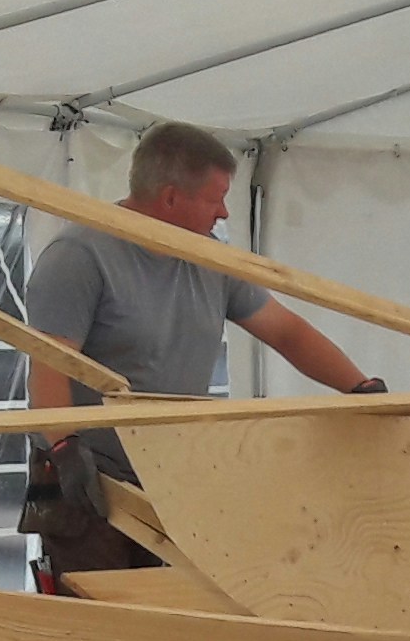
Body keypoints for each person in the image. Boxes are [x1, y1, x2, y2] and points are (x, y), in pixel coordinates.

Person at [19, 119, 380, 569]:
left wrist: (359, 387)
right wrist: (63, 447)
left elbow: (286, 331)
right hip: (91, 479)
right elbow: (50, 362)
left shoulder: (209, 259)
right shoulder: (80, 255)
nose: (224, 213)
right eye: (216, 199)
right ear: (170, 198)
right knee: (102, 621)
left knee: (176, 617)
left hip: (173, 476)